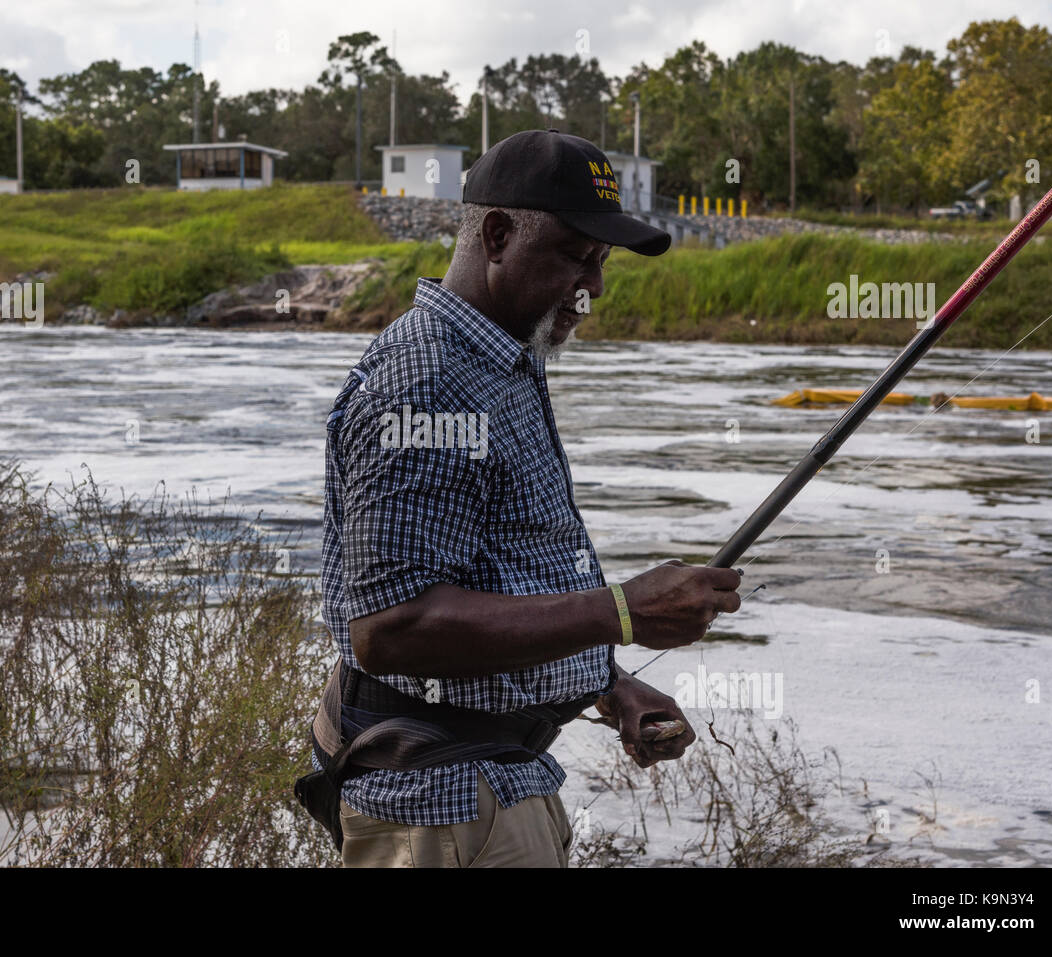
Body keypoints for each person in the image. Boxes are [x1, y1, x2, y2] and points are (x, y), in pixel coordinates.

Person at [306, 129, 741, 867]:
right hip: (445, 810)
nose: (595, 286)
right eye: (578, 255)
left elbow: (501, 577)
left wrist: (608, 682)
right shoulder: (431, 381)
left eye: (602, 263)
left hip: (486, 791)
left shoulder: (506, 358)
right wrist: (624, 610)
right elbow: (391, 627)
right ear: (499, 236)